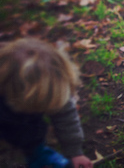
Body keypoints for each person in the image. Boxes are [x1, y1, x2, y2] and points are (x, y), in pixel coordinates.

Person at [0, 38, 93, 168]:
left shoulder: (53, 85)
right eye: (38, 103)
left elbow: (66, 116)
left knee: (31, 139)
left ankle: (38, 154)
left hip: (30, 133)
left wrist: (74, 152)